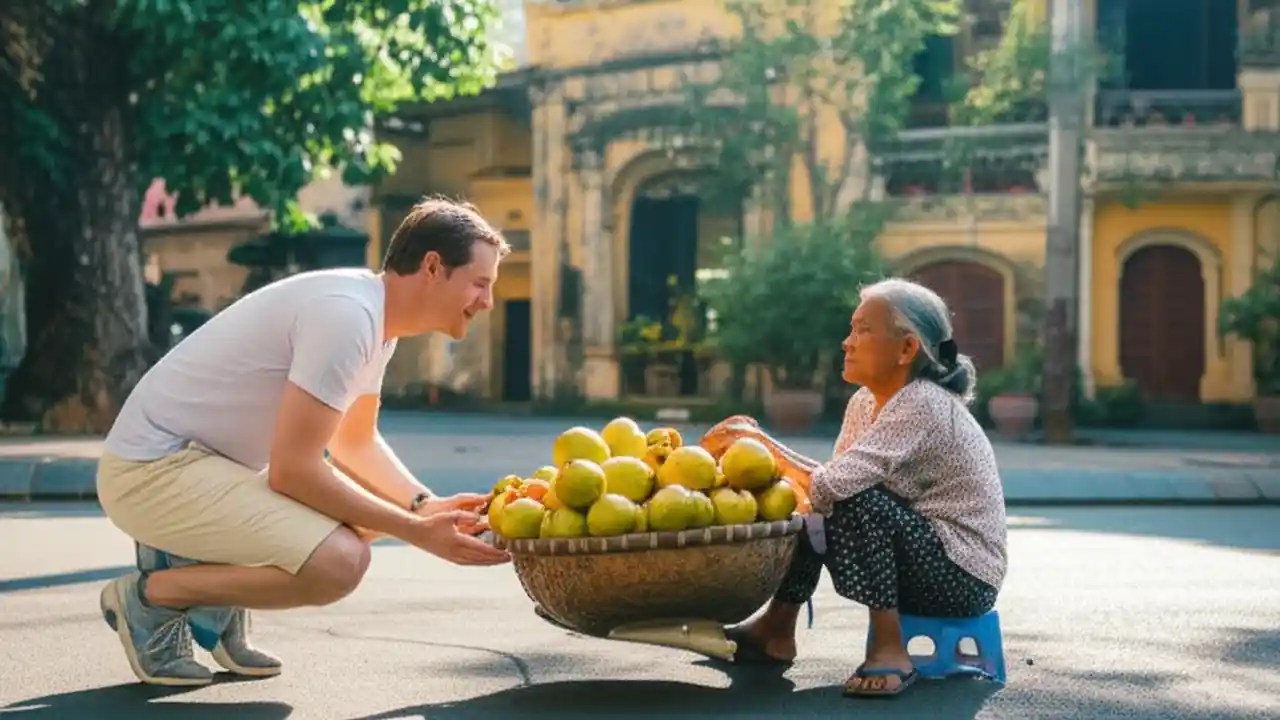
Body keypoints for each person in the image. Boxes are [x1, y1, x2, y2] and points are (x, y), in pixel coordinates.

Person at [95, 197, 512, 687]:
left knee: (369, 519)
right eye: (480, 284)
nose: (487, 301)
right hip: (151, 473)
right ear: (433, 267)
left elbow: (354, 443)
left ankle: (206, 593)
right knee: (340, 562)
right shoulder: (347, 317)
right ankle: (152, 597)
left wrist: (424, 507)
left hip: (209, 467)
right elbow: (293, 470)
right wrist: (415, 530)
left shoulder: (376, 321)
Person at [713, 277, 1008, 698]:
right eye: (851, 330)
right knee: (808, 504)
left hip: (962, 574)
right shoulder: (864, 402)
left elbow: (835, 486)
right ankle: (776, 629)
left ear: (906, 349)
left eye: (863, 330)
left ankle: (889, 648)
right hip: (915, 553)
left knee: (850, 499)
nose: (847, 342)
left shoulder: (922, 401)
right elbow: (822, 489)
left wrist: (758, 445)